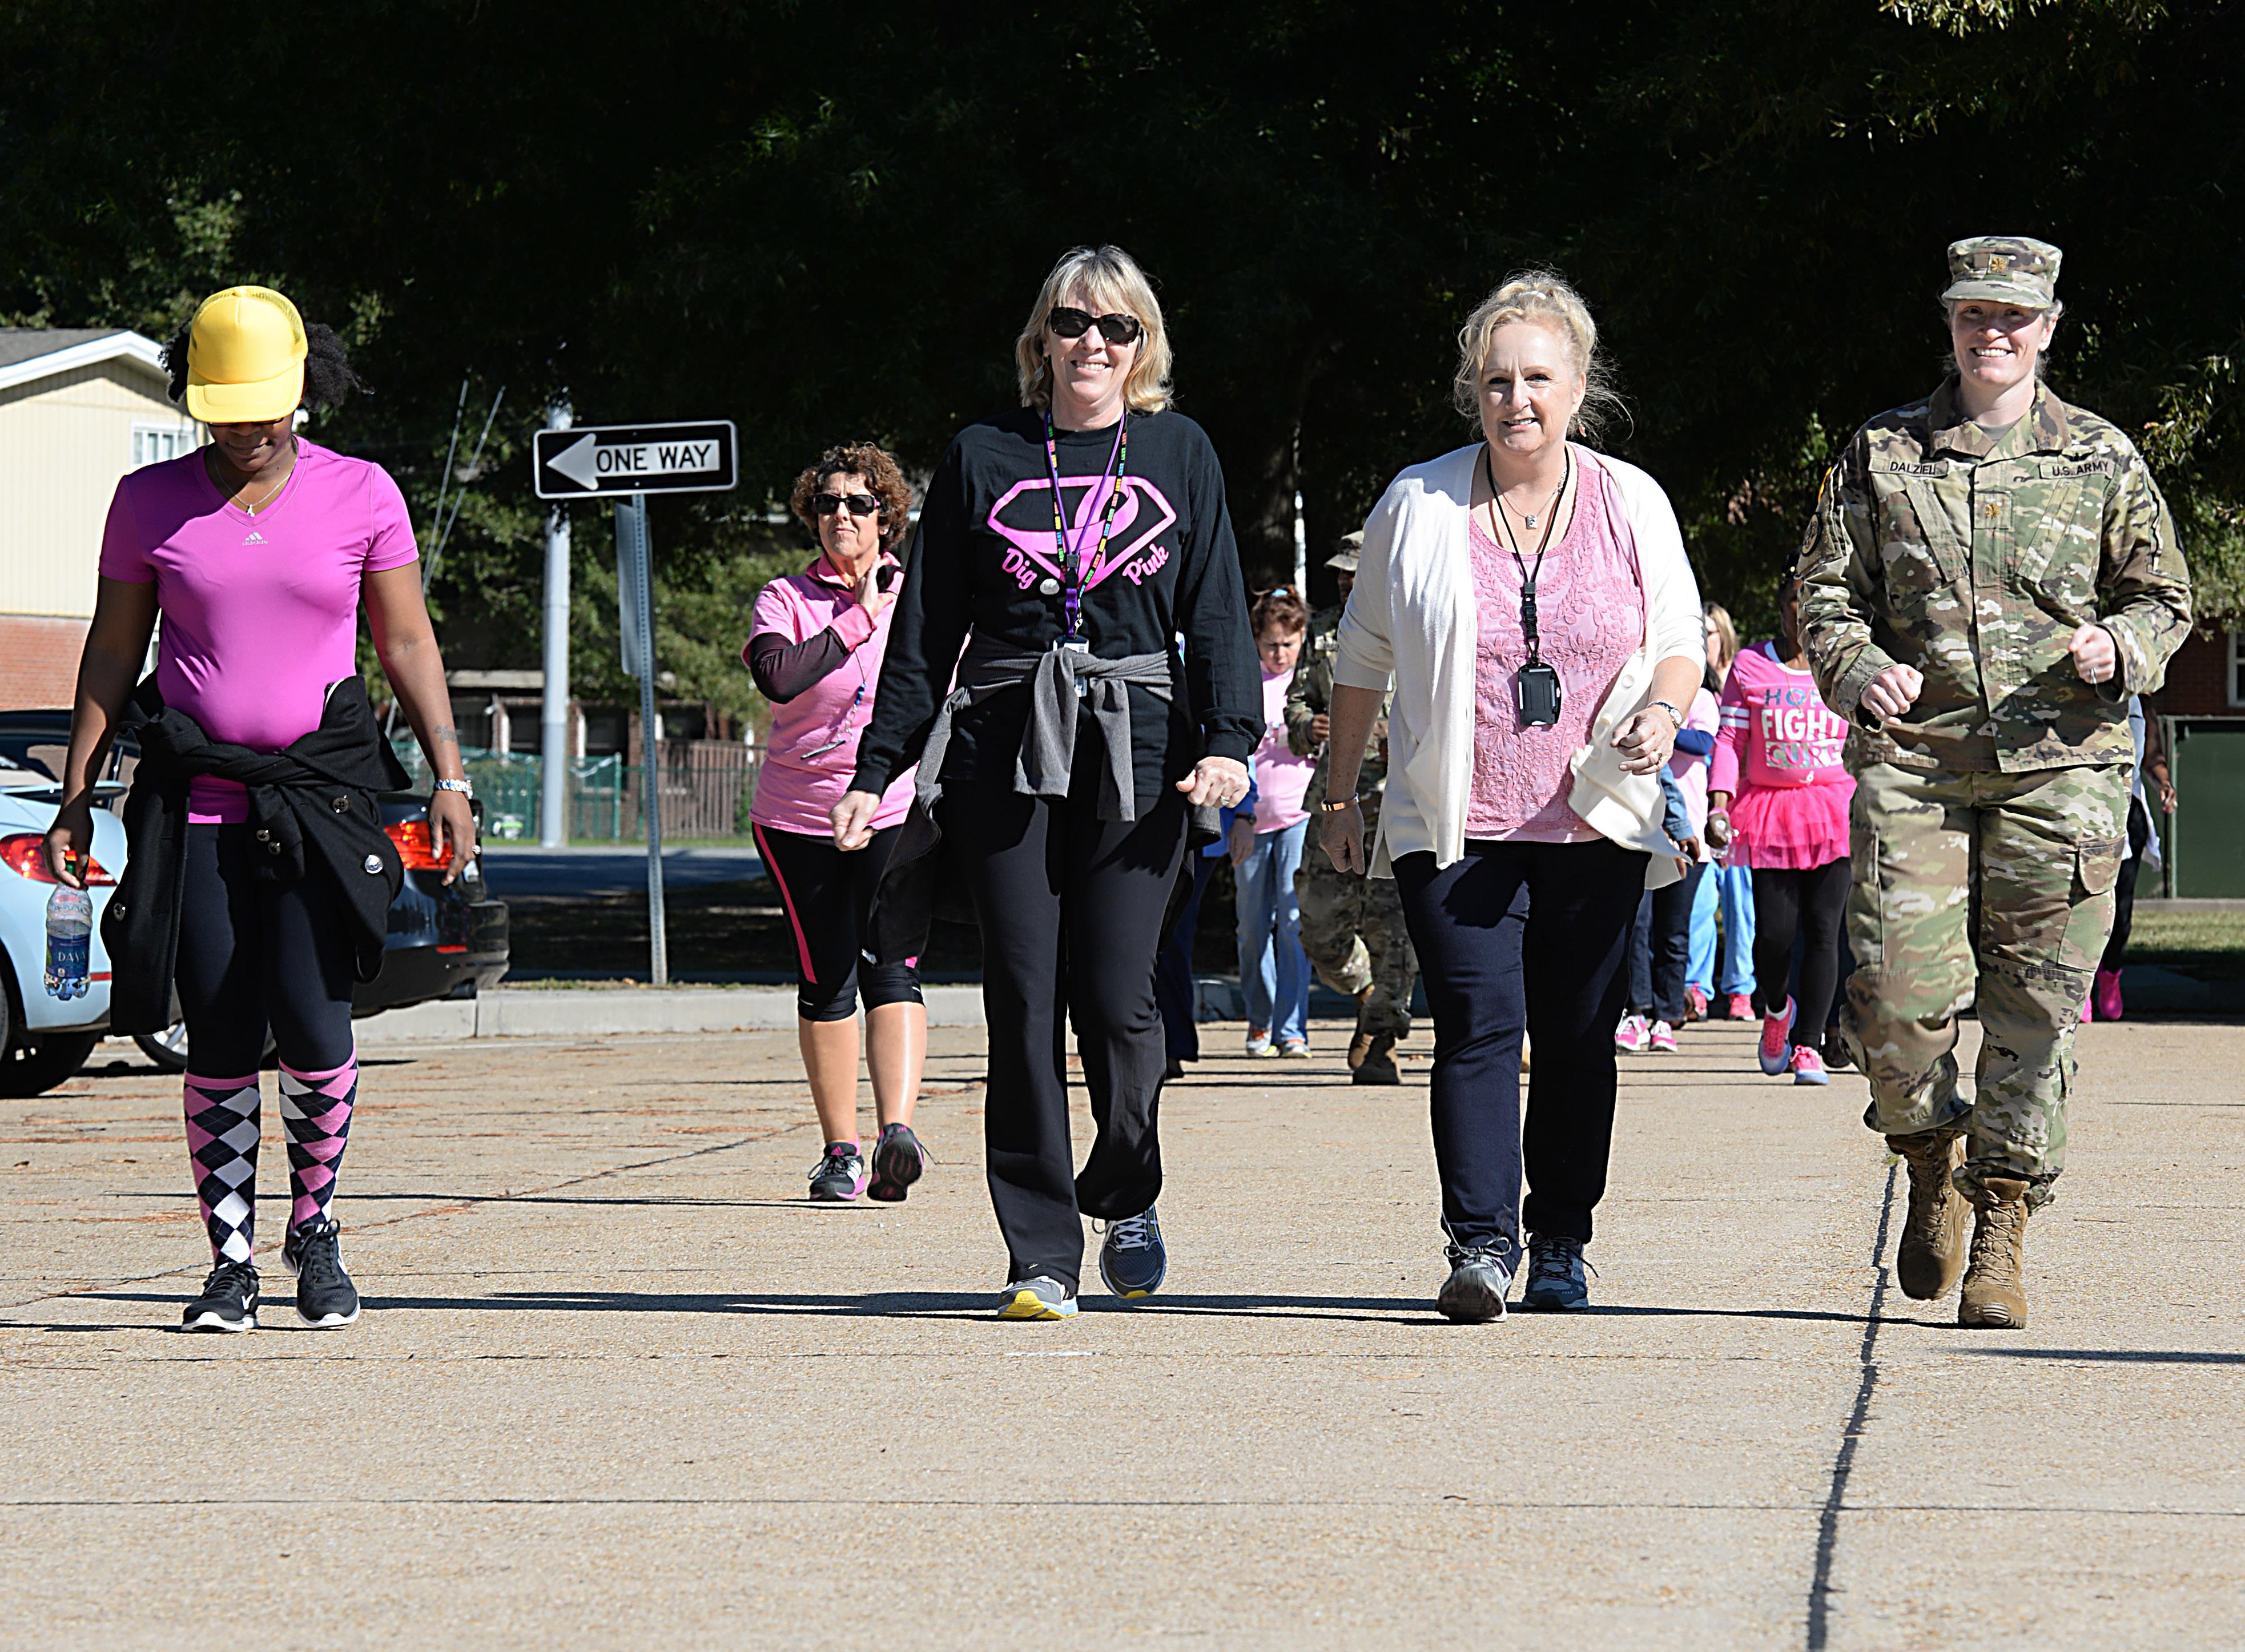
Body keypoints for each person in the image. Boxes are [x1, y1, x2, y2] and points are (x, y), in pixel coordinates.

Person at [835, 245, 1259, 1321]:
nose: (1092, 344)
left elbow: (1213, 605)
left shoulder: (1178, 451)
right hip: (1004, 746)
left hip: (1139, 748)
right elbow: (926, 624)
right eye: (1072, 323)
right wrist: (876, 766)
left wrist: (1232, 740)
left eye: (1116, 328)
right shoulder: (985, 454)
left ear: (1141, 346)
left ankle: (1124, 1191)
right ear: (1041, 338)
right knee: (1023, 1001)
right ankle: (1039, 1252)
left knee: (1119, 1000)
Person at [45, 285, 476, 1332]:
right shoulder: (148, 501)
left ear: (302, 392)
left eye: (262, 407)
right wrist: (75, 792)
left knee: (317, 1023)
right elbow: (114, 649)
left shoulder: (363, 493)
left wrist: (450, 776)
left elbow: (407, 643)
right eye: (223, 409)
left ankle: (315, 1228)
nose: (243, 428)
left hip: (322, 802)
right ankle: (230, 1263)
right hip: (195, 803)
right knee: (221, 1035)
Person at [1799, 236, 2191, 1329]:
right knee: (1890, 992)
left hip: (2061, 766)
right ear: (1950, 322)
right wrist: (1854, 663)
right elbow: (1823, 595)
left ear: (2048, 327)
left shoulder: (2102, 459)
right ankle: (1928, 1155)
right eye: (1975, 314)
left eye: (2014, 318)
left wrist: (2122, 643)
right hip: (1917, 761)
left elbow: (2166, 598)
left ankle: (2003, 1220)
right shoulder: (1882, 454)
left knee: (2036, 1007)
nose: (1993, 334)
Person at [1320, 270, 1705, 1324]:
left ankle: (1562, 1240)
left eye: (1539, 377)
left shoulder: (1632, 500)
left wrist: (1665, 717)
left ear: (1581, 385)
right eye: (1497, 380)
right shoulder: (1418, 501)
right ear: (1471, 391)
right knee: (1478, 1028)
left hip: (1596, 816)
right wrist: (1339, 795)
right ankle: (1481, 1243)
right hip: (1455, 821)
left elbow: (1678, 638)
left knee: (1578, 1036)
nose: (1516, 399)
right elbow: (1363, 655)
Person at [745, 442, 928, 1203]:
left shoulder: (920, 596)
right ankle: (841, 1150)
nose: (840, 517)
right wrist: (860, 617)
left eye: (858, 503)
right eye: (827, 504)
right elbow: (779, 676)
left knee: (894, 964)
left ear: (888, 515)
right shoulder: (785, 597)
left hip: (896, 805)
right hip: (798, 814)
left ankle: (897, 1135)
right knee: (827, 974)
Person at [1707, 576, 1854, 1086]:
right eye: (1797, 602)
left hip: (1835, 806)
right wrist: (1719, 805)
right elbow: (1728, 739)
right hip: (1770, 810)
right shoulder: (1751, 665)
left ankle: (1808, 1044)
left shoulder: (1844, 668)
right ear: (1783, 606)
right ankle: (1776, 1009)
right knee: (1773, 934)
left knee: (1824, 929)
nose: (1805, 613)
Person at [1289, 531, 1419, 1085]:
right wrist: (1303, 725)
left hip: (1402, 798)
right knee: (1318, 924)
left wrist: (1411, 735)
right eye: (1341, 572)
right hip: (1335, 798)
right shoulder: (1321, 633)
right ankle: (1368, 994)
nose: (1345, 581)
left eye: (1354, 571)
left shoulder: (1418, 628)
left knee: (1394, 928)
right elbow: (1297, 701)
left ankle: (1380, 1040)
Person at [1234, 586, 1315, 1058]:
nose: (1280, 653)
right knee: (1250, 927)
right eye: (1271, 644)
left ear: (1302, 637)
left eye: (1288, 643)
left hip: (1300, 816)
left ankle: (1291, 1029)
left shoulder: (1310, 683)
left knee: (1293, 922)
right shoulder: (1246, 681)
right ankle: (1259, 1019)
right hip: (1251, 817)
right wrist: (1239, 815)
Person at [1617, 687, 1717, 1054]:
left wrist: (1681, 830)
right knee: (1636, 930)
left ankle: (1666, 1016)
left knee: (1673, 933)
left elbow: (1666, 782)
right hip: (1629, 840)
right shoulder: (1626, 705)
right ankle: (1637, 1013)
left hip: (1676, 841)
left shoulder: (1680, 706)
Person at [2083, 695, 2171, 1021]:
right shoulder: (2083, 693)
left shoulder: (2142, 702)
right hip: (2088, 810)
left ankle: (2111, 976)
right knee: (2085, 905)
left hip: (2128, 813)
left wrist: (2164, 783)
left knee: (2120, 912)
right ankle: (2084, 986)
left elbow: (2153, 756)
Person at [1689, 602, 1758, 1019]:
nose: (1702, 639)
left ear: (1725, 637)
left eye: (1709, 632)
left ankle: (1740, 989)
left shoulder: (1743, 680)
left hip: (1739, 806)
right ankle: (1694, 988)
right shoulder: (1686, 682)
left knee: (1740, 898)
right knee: (1699, 899)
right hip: (1696, 807)